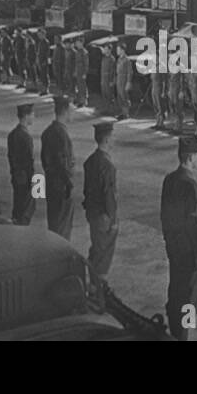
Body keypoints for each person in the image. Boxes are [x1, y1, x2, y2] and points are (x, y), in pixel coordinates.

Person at [161, 135, 197, 341]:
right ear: (190, 157)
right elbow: (193, 224)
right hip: (188, 251)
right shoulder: (191, 185)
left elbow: (164, 215)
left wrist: (169, 241)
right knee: (190, 297)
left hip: (174, 248)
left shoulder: (170, 179)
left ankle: (175, 329)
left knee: (176, 288)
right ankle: (185, 334)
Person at [84, 122, 118, 292]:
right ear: (106, 139)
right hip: (103, 215)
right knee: (104, 250)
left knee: (96, 247)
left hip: (92, 213)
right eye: (112, 136)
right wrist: (113, 218)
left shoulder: (90, 161)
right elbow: (109, 194)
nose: (113, 140)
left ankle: (92, 282)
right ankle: (98, 287)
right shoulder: (107, 165)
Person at [41, 95, 75, 240]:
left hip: (50, 183)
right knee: (63, 225)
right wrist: (69, 182)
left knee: (54, 221)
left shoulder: (47, 132)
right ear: (65, 111)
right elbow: (63, 163)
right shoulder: (61, 134)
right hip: (61, 187)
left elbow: (44, 159)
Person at [7, 104, 36, 225]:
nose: (34, 116)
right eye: (32, 114)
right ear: (26, 116)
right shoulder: (26, 137)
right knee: (26, 209)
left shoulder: (12, 134)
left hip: (16, 175)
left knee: (18, 206)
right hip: (26, 178)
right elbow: (29, 161)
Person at [115, 44, 132, 120]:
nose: (117, 51)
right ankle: (122, 112)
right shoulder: (119, 59)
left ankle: (126, 114)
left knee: (124, 96)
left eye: (118, 50)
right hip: (119, 79)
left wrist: (128, 82)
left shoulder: (127, 60)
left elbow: (130, 72)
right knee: (119, 97)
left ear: (123, 50)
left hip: (124, 80)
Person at [100, 42, 116, 114]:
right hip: (103, 79)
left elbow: (113, 70)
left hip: (109, 79)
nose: (105, 50)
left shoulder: (112, 59)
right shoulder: (104, 58)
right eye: (105, 49)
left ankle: (111, 110)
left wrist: (112, 80)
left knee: (110, 95)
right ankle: (106, 109)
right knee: (104, 95)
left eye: (107, 49)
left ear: (110, 50)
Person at [168, 69, 185, 134]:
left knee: (179, 110)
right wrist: (169, 90)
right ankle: (175, 127)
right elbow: (170, 80)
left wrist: (182, 91)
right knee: (173, 109)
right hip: (172, 89)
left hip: (177, 90)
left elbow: (182, 80)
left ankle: (179, 128)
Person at [74, 37, 89, 107]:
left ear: (81, 43)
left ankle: (83, 101)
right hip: (78, 71)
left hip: (82, 71)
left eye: (77, 43)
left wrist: (85, 73)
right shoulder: (77, 51)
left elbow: (86, 64)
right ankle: (80, 99)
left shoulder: (84, 52)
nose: (76, 44)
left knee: (82, 86)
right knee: (79, 86)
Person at [36, 28, 50, 95]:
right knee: (41, 75)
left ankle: (45, 89)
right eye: (38, 35)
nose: (39, 36)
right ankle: (43, 89)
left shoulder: (46, 42)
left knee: (44, 75)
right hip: (40, 61)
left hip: (44, 61)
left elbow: (47, 53)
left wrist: (45, 61)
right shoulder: (40, 42)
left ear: (44, 34)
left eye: (40, 34)